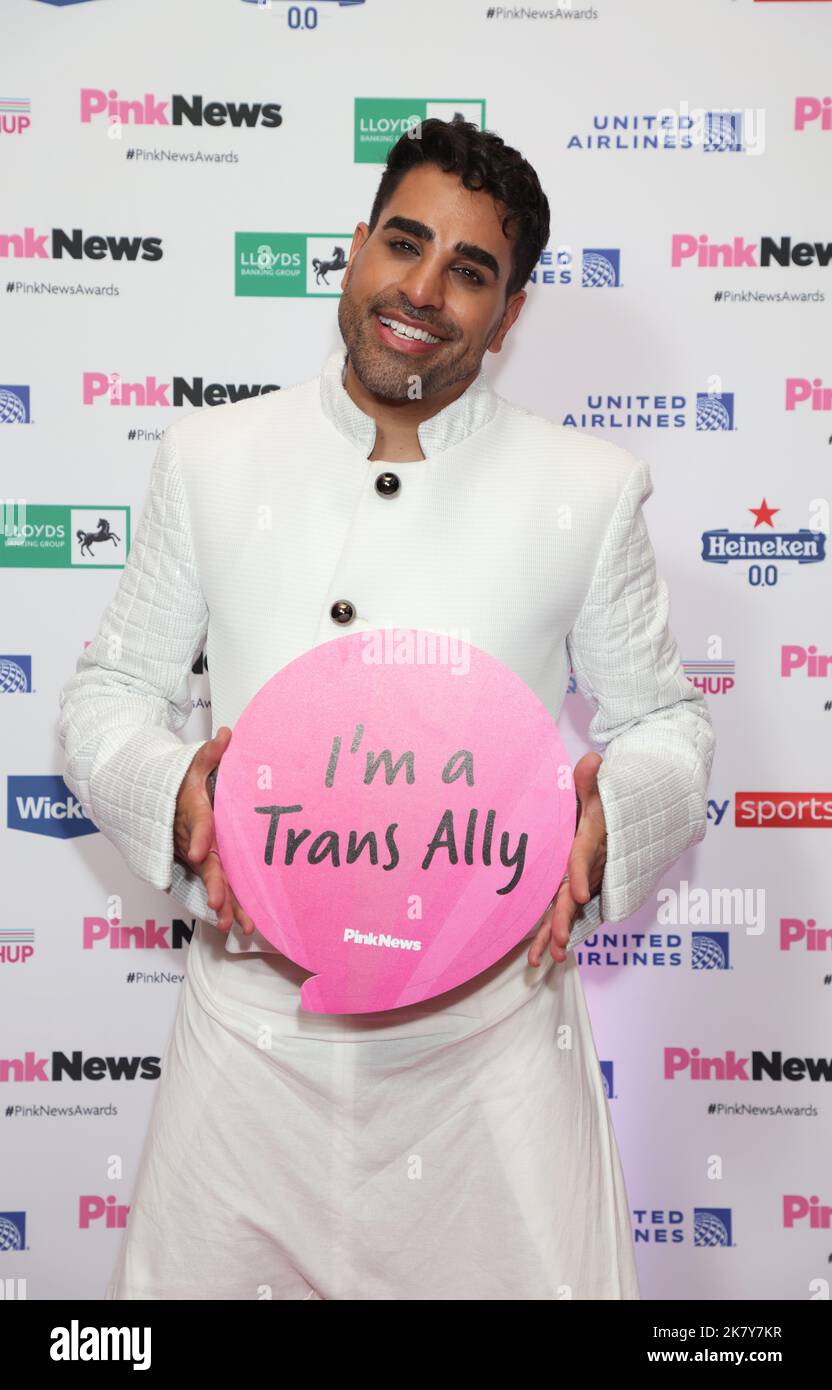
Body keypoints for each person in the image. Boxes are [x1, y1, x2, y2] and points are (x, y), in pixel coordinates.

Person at [57, 116, 715, 1300]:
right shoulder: (211, 456)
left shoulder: (590, 489)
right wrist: (179, 795)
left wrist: (609, 812)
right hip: (250, 1051)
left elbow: (662, 723)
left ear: (508, 315)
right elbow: (109, 693)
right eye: (403, 245)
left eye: (470, 270)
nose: (422, 289)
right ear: (353, 250)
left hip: (493, 1061)